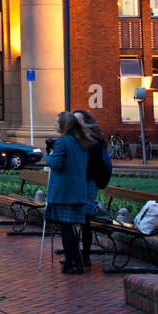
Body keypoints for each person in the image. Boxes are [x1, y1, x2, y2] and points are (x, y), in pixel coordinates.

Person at [45, 111, 92, 275]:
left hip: (64, 192)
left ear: (64, 125)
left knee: (66, 229)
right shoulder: (81, 142)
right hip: (77, 191)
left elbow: (56, 163)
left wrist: (48, 157)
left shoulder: (62, 142)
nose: (55, 125)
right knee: (70, 228)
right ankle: (75, 262)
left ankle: (73, 263)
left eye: (57, 122)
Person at [74, 109, 112, 269]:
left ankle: (85, 255)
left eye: (78, 120)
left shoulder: (93, 142)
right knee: (74, 220)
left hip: (88, 183)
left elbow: (98, 165)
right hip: (77, 183)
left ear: (86, 122)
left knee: (86, 220)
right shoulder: (75, 139)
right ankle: (75, 254)